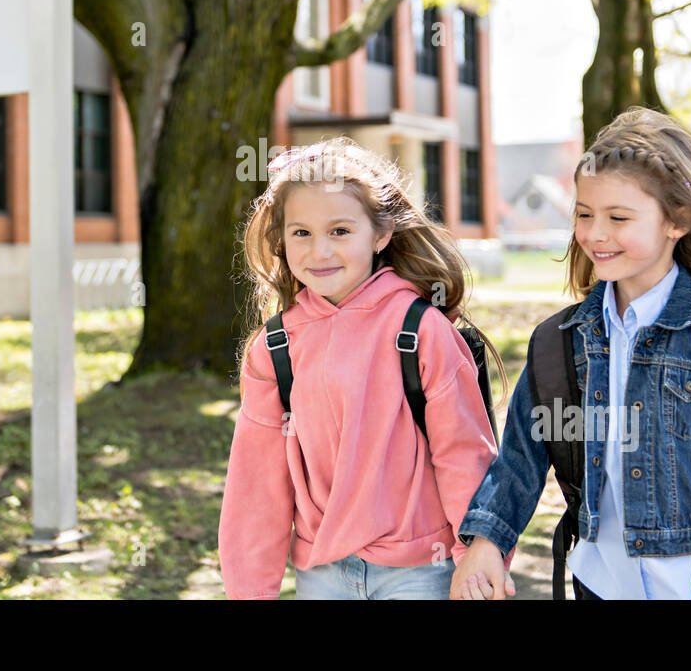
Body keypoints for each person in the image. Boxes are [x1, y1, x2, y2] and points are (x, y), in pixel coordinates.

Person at [451, 107, 691, 600]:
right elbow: (520, 460)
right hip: (599, 582)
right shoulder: (558, 342)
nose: (595, 234)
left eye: (619, 218)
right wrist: (485, 542)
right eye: (585, 214)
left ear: (678, 220)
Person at [218, 137, 511, 599]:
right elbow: (257, 485)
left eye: (339, 231)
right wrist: (250, 591)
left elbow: (462, 454)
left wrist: (475, 556)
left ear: (380, 233)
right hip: (321, 572)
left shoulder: (421, 330)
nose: (320, 252)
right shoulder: (276, 346)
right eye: (301, 233)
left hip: (419, 571)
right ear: (281, 240)